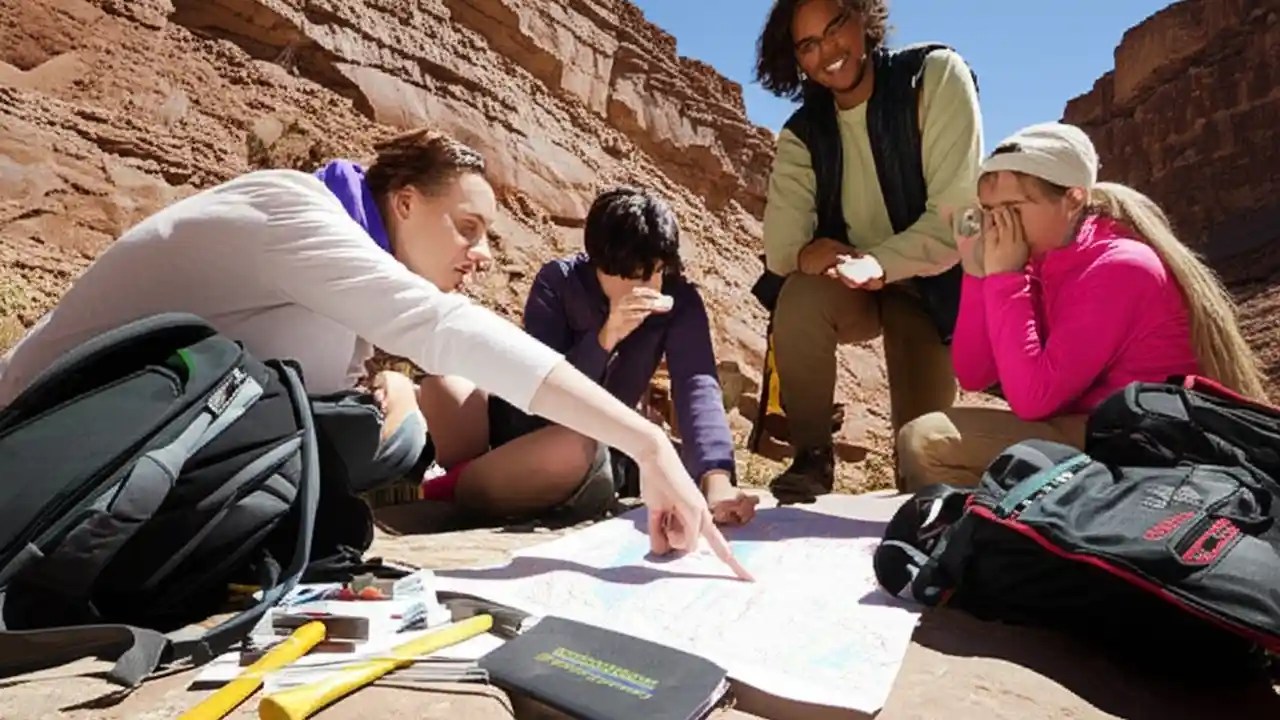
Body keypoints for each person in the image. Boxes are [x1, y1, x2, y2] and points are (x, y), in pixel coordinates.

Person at [0, 128, 749, 579]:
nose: (483, 253)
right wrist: (647, 442)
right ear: (405, 202)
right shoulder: (295, 210)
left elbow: (697, 382)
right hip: (43, 448)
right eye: (467, 228)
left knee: (394, 429)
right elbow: (444, 328)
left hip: (110, 462)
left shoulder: (334, 264)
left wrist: (375, 387)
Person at [897, 122, 1269, 490]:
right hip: (1096, 431)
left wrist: (1005, 279)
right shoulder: (1038, 257)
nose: (998, 222)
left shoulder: (1120, 266)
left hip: (1145, 449)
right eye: (989, 209)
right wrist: (978, 274)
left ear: (1073, 198)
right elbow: (974, 373)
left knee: (929, 442)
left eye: (1012, 207)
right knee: (925, 437)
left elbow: (1033, 400)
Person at [752, 0, 983, 501]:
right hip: (849, 283)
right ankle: (811, 456)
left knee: (922, 467)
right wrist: (815, 256)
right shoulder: (803, 133)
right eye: (807, 46)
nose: (827, 52)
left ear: (863, 18)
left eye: (835, 28)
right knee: (799, 298)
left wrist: (880, 263)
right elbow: (782, 250)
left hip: (930, 285)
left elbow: (955, 217)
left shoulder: (934, 77)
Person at [434, 186, 760, 526]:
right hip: (527, 427)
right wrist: (605, 338)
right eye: (637, 274)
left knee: (585, 448)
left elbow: (697, 384)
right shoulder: (558, 282)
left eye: (660, 270)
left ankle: (472, 484)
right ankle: (456, 483)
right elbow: (539, 387)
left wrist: (718, 482)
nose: (652, 286)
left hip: (591, 447)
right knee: (446, 386)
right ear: (600, 264)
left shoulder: (679, 301)